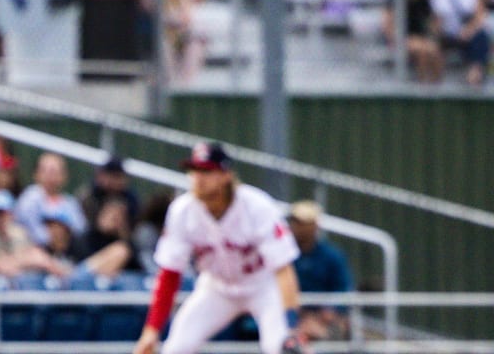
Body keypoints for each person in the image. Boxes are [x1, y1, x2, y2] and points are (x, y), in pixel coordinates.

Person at [133, 143, 302, 354]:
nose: (198, 178)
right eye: (194, 171)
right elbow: (169, 273)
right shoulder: (182, 211)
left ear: (225, 175)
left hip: (262, 285)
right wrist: (152, 330)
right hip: (217, 288)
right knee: (176, 348)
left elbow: (283, 269)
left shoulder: (257, 206)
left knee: (280, 348)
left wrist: (292, 326)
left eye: (206, 171)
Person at [287, 201, 352, 341]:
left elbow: (343, 289)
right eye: (296, 221)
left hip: (322, 318)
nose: (299, 227)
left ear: (315, 225)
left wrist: (329, 311)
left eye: (304, 222)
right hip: (290, 314)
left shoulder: (332, 256)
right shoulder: (282, 255)